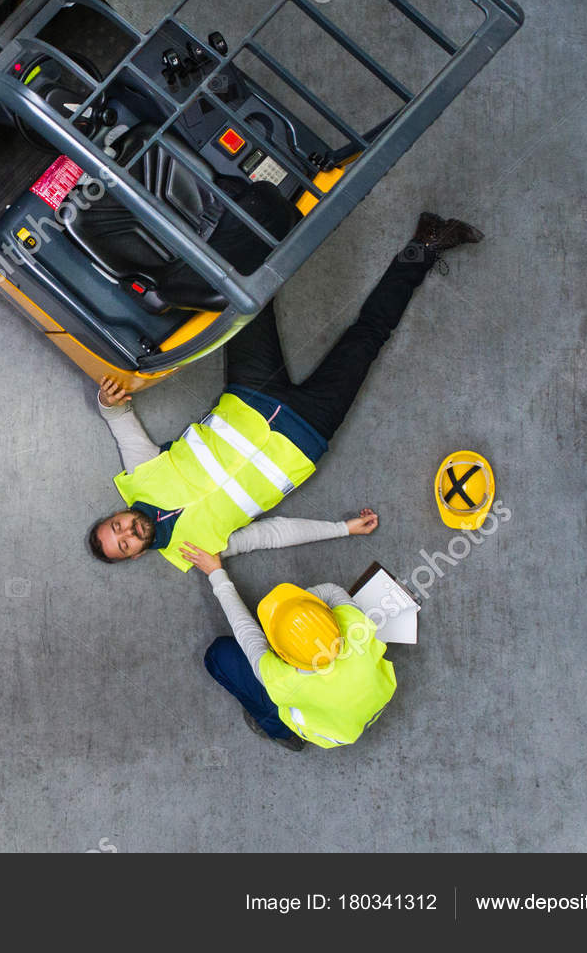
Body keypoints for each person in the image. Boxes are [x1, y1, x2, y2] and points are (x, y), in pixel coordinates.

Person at [88, 212, 483, 569]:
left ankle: (252, 201)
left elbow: (118, 418)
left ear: (115, 514)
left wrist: (107, 402)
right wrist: (342, 529)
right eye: (123, 545)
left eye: (116, 526)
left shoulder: (139, 476)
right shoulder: (196, 553)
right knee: (369, 337)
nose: (127, 533)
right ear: (135, 556)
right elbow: (270, 535)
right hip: (307, 431)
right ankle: (426, 245)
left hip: (250, 393)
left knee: (243, 300)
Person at [186, 542, 397, 751]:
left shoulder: (283, 680)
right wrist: (300, 612)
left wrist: (216, 573)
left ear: (283, 657)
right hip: (374, 700)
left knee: (219, 655)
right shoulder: (355, 625)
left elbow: (247, 634)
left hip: (326, 730)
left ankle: (284, 733)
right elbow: (333, 591)